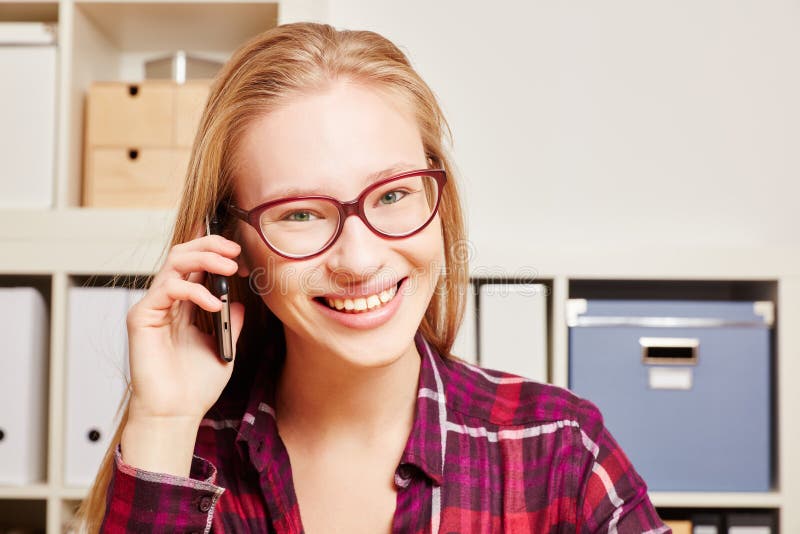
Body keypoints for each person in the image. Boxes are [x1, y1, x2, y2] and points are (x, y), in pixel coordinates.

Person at [74, 22, 669, 533]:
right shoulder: (186, 457)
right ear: (232, 247)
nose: (358, 261)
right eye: (300, 214)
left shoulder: (559, 452)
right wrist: (165, 422)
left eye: (393, 195)